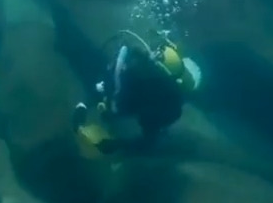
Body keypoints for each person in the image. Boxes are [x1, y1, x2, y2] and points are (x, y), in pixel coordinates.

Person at [73, 30, 202, 156]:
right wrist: (82, 107)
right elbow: (103, 87)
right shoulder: (127, 70)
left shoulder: (160, 104)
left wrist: (117, 145)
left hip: (158, 102)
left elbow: (148, 141)